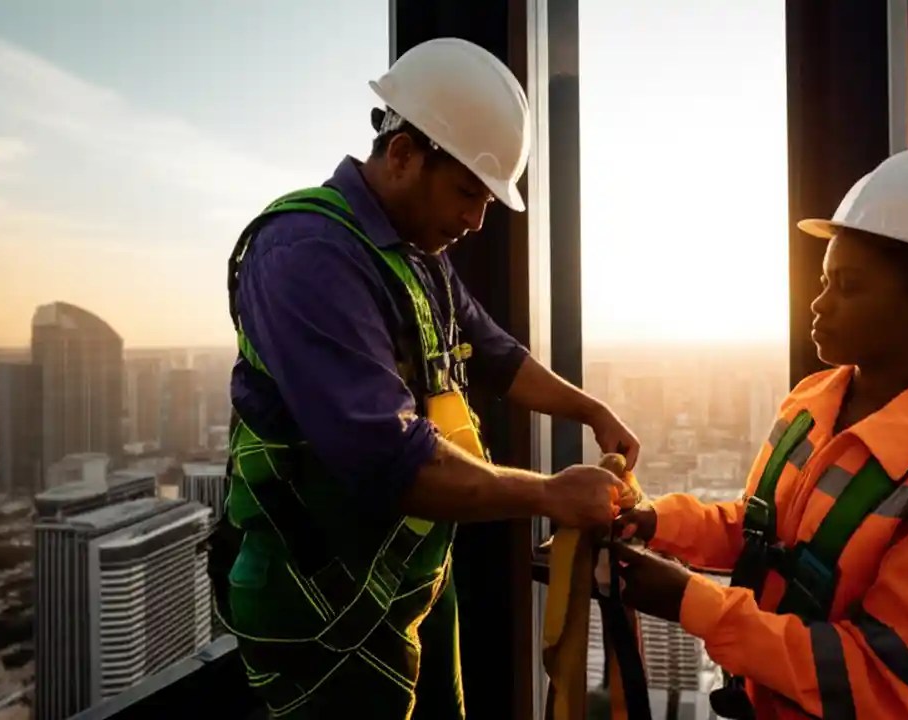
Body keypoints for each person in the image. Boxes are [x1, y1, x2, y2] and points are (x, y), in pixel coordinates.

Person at [214, 37, 640, 719]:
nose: (476, 220)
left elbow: (493, 354)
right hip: (317, 605)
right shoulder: (309, 255)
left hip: (401, 585)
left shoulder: (413, 254)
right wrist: (552, 494)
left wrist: (589, 410)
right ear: (404, 153)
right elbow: (393, 462)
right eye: (468, 192)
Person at [610, 148, 908, 719]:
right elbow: (760, 532)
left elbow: (885, 681)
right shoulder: (812, 403)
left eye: (847, 286)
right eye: (824, 281)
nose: (819, 305)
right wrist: (654, 520)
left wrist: (691, 603)